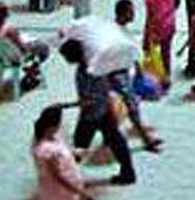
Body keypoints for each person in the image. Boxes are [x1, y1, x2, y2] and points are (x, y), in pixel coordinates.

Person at [58, 39, 136, 185]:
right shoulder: (93, 64)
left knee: (79, 145)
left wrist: (73, 105)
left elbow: (92, 95)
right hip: (104, 107)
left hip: (92, 113)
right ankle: (128, 172)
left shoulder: (88, 70)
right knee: (115, 140)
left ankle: (68, 176)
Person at [32, 107, 95, 200]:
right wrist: (81, 192)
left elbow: (65, 151)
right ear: (51, 126)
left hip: (67, 195)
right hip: (60, 196)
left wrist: (79, 152)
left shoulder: (53, 139)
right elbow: (58, 176)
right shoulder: (45, 150)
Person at [142, 0, 179, 84]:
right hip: (170, 23)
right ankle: (167, 75)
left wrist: (146, 36)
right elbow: (177, 2)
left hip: (156, 26)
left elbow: (149, 15)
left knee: (153, 52)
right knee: (166, 51)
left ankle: (157, 76)